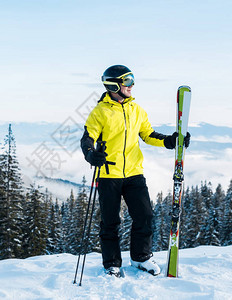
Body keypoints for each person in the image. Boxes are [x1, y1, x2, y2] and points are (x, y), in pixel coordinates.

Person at [80, 65, 190, 277]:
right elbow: (88, 138)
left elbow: (148, 134)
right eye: (127, 81)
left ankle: (141, 258)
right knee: (110, 222)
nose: (131, 85)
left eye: (131, 80)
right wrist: (90, 154)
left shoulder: (136, 110)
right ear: (114, 84)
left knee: (145, 215)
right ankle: (112, 263)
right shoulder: (100, 112)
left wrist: (171, 141)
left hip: (133, 173)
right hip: (108, 175)